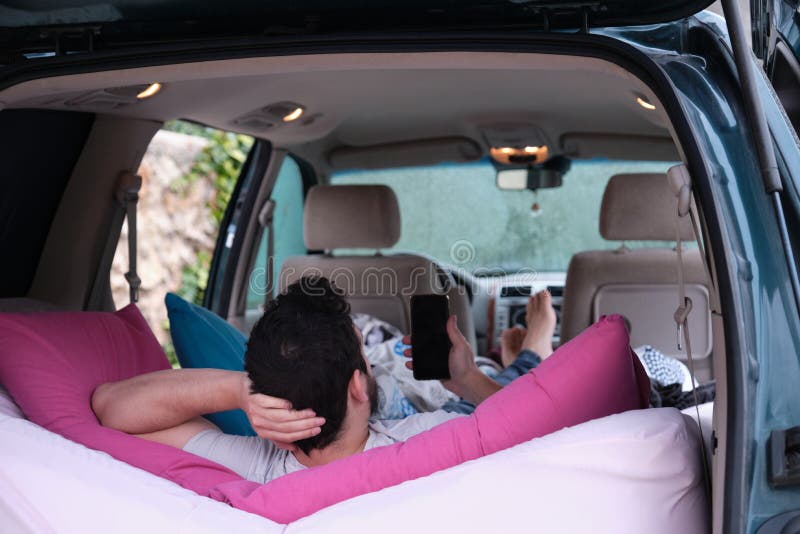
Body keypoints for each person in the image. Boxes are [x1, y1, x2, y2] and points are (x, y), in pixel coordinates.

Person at [92, 276, 557, 483]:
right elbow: (548, 419)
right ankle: (535, 347)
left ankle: (522, 353)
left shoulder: (256, 468)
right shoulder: (433, 440)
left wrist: (238, 388)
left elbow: (111, 406)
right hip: (447, 408)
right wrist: (469, 378)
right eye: (365, 353)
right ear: (357, 386)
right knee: (517, 376)